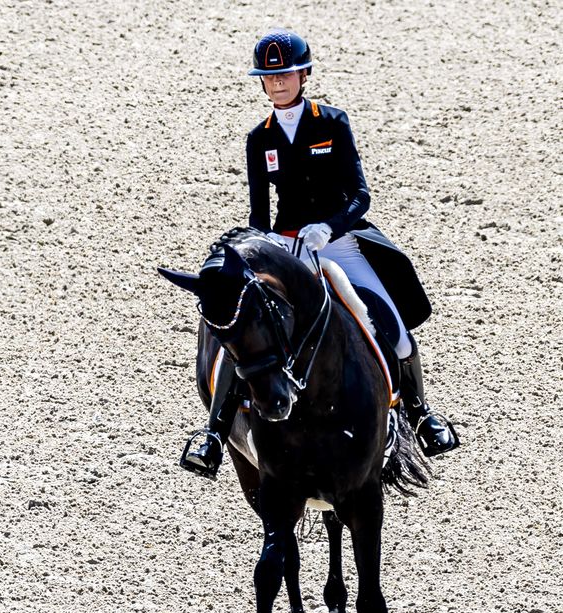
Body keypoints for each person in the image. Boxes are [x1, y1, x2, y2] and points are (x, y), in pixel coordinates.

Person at [181, 28, 459, 478]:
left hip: (338, 243)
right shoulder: (260, 139)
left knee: (394, 329)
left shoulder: (332, 122)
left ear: (304, 74)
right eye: (270, 78)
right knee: (247, 331)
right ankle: (214, 433)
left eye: (286, 75)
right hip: (286, 249)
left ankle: (420, 411)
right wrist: (264, 250)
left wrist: (328, 228)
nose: (278, 84)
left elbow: (359, 196)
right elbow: (258, 214)